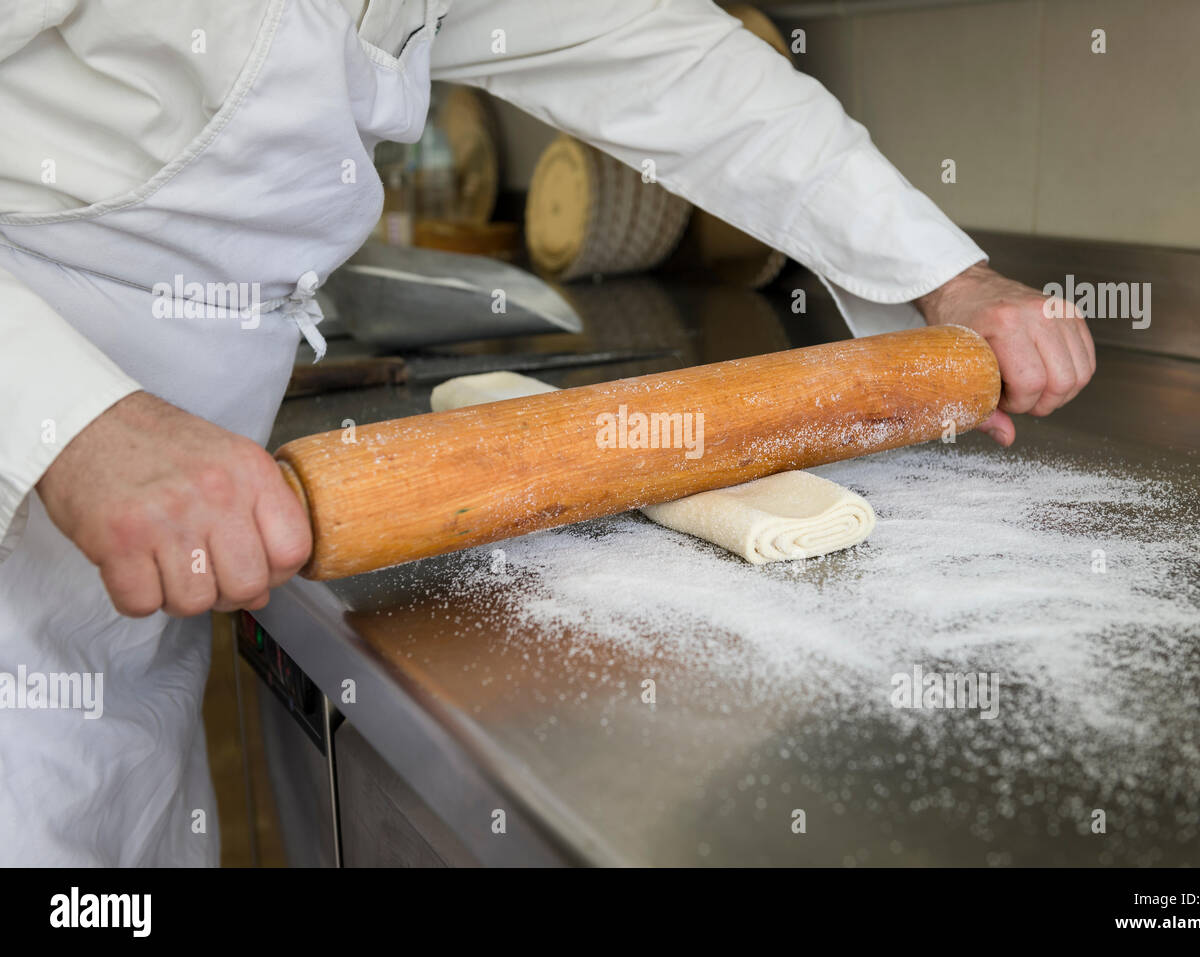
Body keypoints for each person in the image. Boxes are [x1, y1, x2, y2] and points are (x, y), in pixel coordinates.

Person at [0, 0, 1094, 865]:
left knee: (109, 822)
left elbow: (666, 57)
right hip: (41, 450)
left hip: (167, 537)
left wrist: (946, 274)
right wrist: (71, 420)